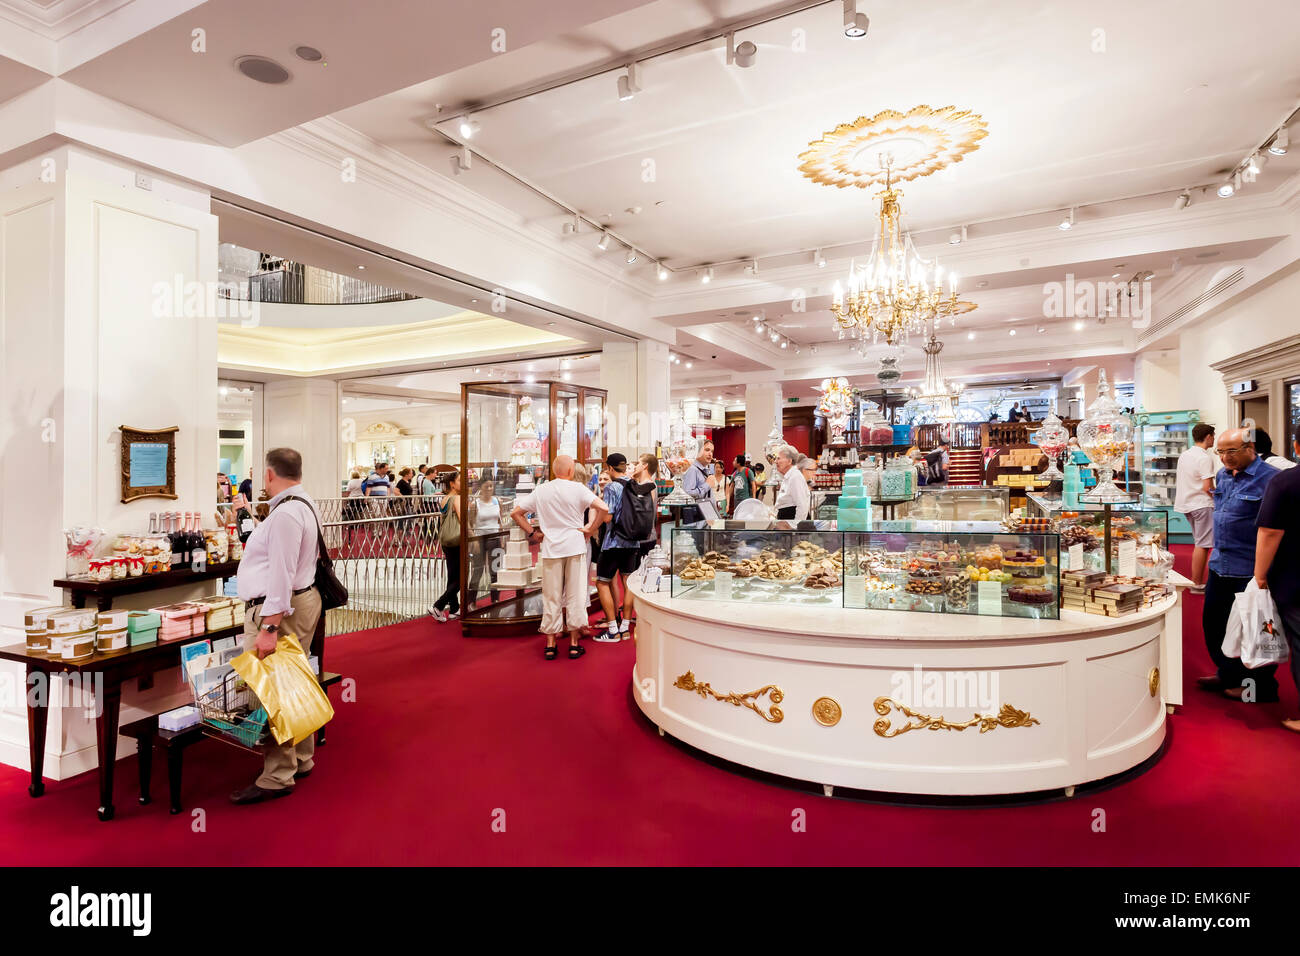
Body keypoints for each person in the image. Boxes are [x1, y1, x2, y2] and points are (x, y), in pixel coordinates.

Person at [230, 447, 323, 805]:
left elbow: (281, 573)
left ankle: (277, 775)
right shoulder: (302, 503)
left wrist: (269, 627)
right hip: (301, 601)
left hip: (279, 610)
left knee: (273, 691)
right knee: (294, 680)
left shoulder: (285, 514)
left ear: (269, 475)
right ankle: (301, 757)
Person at [1197, 428, 1281, 703]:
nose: (1224, 458)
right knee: (1215, 625)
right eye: (1220, 452)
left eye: (1231, 451)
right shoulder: (1222, 475)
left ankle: (1261, 688)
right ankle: (1228, 674)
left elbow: (1278, 528)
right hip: (1220, 564)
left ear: (1250, 447)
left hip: (1251, 569)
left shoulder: (1271, 479)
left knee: (1257, 630)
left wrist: (1264, 573)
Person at [511, 455, 609, 660]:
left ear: (554, 470)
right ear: (571, 470)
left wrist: (532, 533)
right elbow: (603, 508)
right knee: (575, 594)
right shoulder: (578, 489)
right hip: (575, 545)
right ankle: (573, 643)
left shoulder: (542, 490)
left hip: (550, 548)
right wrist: (591, 528)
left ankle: (550, 643)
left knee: (551, 595)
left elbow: (516, 513)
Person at [1254, 423, 1300, 733]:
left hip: (1295, 577)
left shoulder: (1285, 482)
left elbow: (1270, 532)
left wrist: (1259, 575)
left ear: (1296, 447)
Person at [594, 453, 657, 642]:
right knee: (629, 583)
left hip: (614, 542)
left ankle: (613, 629)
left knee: (602, 582)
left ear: (611, 468)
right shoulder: (635, 484)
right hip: (634, 542)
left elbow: (608, 517)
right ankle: (626, 627)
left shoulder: (613, 486)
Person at [1175, 423, 1217, 591]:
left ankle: (1196, 582)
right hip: (1201, 504)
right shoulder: (1205, 457)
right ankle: (1197, 583)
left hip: (1187, 504)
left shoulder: (1185, 455)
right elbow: (1208, 487)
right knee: (1204, 545)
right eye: (1213, 435)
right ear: (1208, 437)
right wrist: (1218, 497)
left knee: (1199, 542)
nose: (1214, 438)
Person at [430, 470, 464, 623]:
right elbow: (462, 519)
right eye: (460, 480)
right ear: (452, 483)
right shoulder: (457, 498)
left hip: (446, 540)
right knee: (461, 577)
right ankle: (439, 605)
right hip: (457, 540)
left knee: (453, 575)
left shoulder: (445, 499)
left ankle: (454, 608)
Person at [468, 478, 503, 597]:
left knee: (495, 571)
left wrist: (501, 538)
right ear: (481, 487)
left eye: (491, 486)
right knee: (478, 570)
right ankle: (471, 600)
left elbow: (500, 520)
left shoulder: (498, 501)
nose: (489, 489)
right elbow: (470, 524)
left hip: (495, 538)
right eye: (486, 486)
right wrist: (474, 540)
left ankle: (495, 599)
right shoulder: (475, 504)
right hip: (480, 539)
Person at [773, 444, 810, 521]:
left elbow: (802, 506)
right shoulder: (788, 477)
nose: (776, 461)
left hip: (794, 526)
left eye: (778, 458)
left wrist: (795, 529)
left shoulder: (795, 477)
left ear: (789, 461)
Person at [680, 440, 714, 521]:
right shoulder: (692, 469)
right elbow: (688, 493)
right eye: (707, 450)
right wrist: (707, 485)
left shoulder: (703, 470)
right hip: (696, 518)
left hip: (705, 515)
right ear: (698, 451)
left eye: (712, 451)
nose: (710, 454)